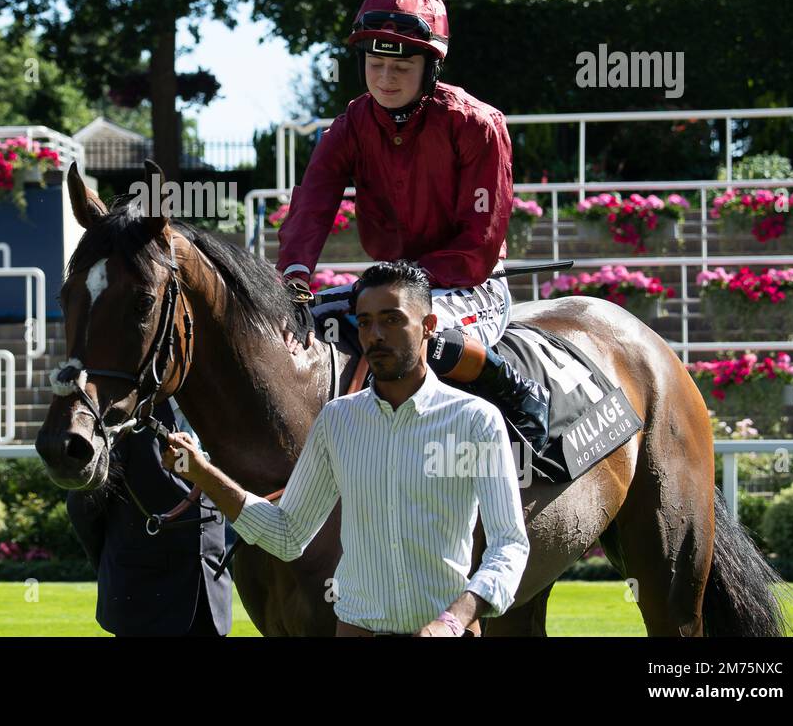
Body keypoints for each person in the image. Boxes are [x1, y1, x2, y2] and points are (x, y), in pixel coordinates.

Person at [164, 261, 529, 637]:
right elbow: (289, 534)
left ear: (429, 327)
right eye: (366, 321)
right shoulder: (337, 421)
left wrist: (451, 622)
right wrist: (203, 474)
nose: (375, 335)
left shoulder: (475, 420)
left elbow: (509, 546)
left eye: (392, 320)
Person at [277, 0, 549, 451]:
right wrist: (295, 277)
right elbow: (312, 205)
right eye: (375, 64)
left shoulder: (478, 124)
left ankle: (515, 389)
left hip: (470, 283)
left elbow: (476, 248)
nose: (385, 78)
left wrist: (399, 280)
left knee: (408, 328)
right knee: (295, 326)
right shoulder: (348, 126)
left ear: (431, 68)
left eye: (401, 66)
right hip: (386, 282)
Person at [66, 397, 233, 636]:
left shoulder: (221, 411)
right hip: (144, 602)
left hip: (212, 600)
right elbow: (82, 506)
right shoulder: (127, 418)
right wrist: (111, 564)